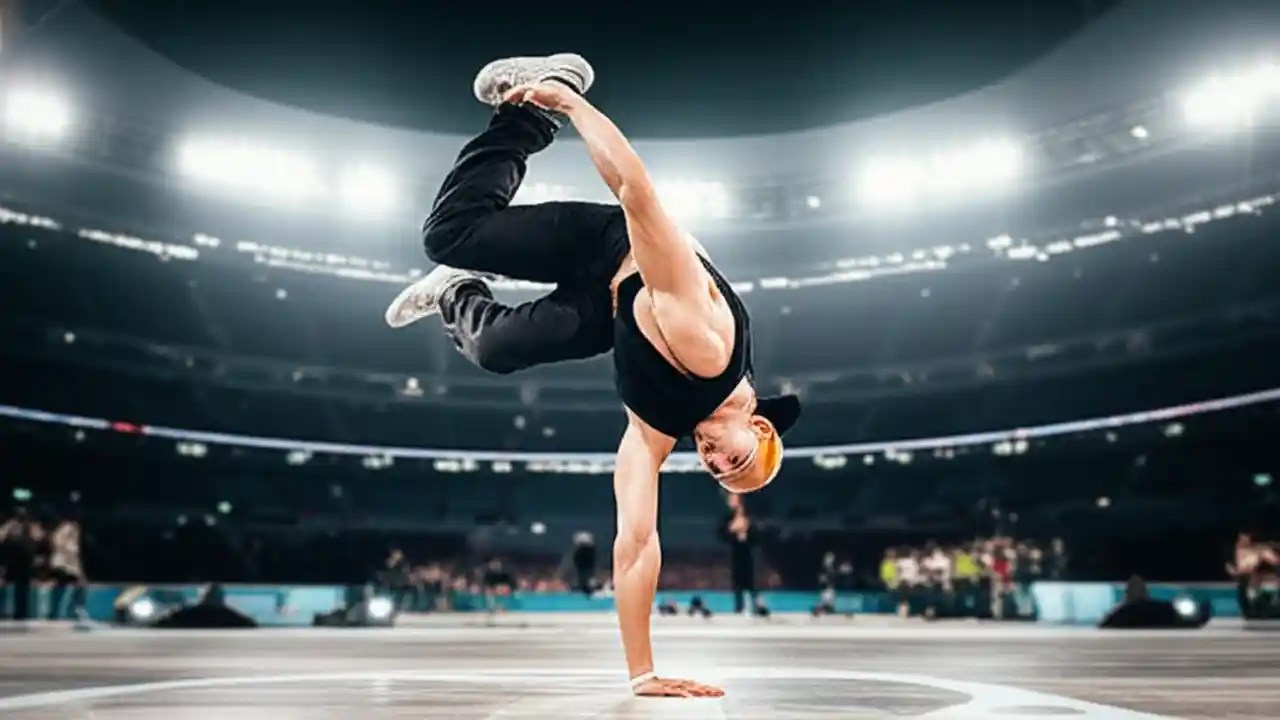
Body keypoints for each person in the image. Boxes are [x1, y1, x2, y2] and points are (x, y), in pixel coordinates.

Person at [384, 53, 803, 698]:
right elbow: (637, 193)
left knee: (494, 348)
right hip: (617, 248)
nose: (715, 460)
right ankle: (524, 117)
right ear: (758, 423)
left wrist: (644, 675)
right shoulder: (706, 338)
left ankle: (454, 295)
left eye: (717, 472)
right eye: (735, 458)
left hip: (608, 310)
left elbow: (636, 544)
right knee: (448, 232)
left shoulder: (655, 431)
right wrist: (570, 106)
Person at [717, 494, 759, 615]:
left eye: (733, 499)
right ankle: (739, 608)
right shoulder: (727, 518)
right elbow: (721, 534)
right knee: (737, 582)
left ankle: (754, 606)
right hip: (735, 553)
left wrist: (746, 530)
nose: (730, 502)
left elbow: (757, 535)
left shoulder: (749, 516)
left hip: (749, 553)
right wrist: (732, 529)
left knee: (751, 581)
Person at [48, 516, 86, 620]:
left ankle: (57, 612)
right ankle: (73, 610)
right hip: (63, 565)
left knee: (65, 587)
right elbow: (70, 551)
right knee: (69, 586)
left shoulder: (62, 531)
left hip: (63, 565)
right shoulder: (68, 530)